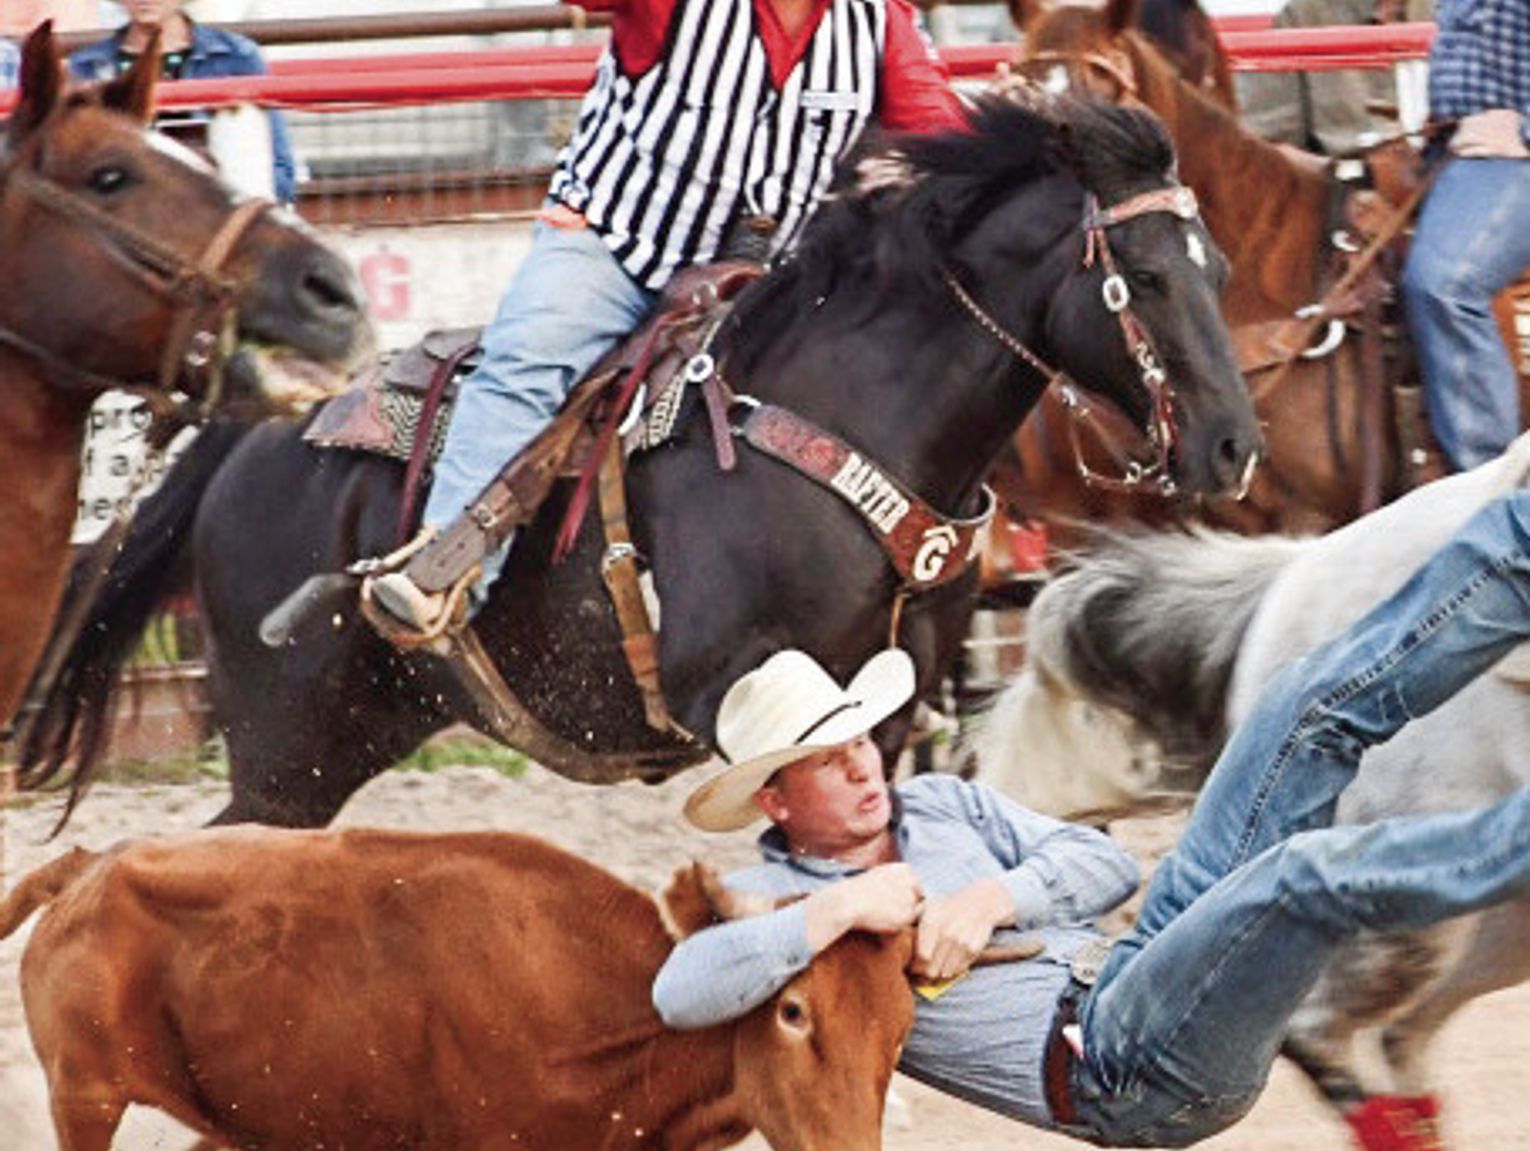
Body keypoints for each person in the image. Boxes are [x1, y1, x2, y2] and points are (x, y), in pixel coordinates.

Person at [656, 484, 1530, 1146]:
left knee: (1298, 711)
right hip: (1124, 1068)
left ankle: (1516, 540)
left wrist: (991, 899)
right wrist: (840, 907)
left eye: (858, 739)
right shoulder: (769, 895)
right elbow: (683, 988)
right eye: (827, 759)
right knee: (1298, 877)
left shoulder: (939, 803)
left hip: (1146, 959)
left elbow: (1102, 864)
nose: (861, 762)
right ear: (775, 800)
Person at [364, 0, 967, 639]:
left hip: (763, 278)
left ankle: (841, 618)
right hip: (614, 241)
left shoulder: (878, 19)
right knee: (527, 363)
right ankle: (448, 574)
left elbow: (937, 131)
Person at [1401, 0, 1530, 473]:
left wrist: (1523, 129)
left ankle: (1490, 487)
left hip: (1513, 155)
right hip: (1456, 150)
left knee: (1446, 284)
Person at [67, 0, 296, 204]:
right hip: (132, 221)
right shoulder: (87, 66)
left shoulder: (236, 56)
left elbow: (278, 169)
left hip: (216, 214)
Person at [1238, 0, 1433, 156]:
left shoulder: (1452, 12)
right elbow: (1270, 140)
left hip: (1441, 167)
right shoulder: (1303, 14)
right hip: (1344, 183)